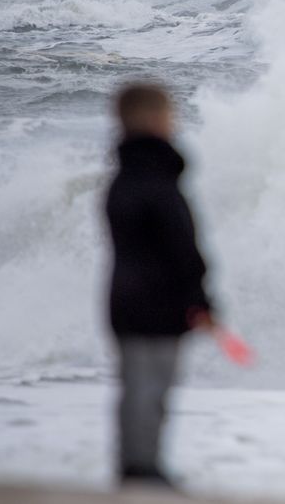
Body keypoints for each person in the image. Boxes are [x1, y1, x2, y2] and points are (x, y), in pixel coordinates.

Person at [104, 81, 215, 489]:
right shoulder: (158, 181)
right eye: (170, 115)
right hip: (160, 301)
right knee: (153, 388)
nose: (174, 123)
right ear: (154, 119)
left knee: (138, 385)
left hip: (124, 297)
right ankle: (142, 468)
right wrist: (200, 299)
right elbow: (183, 249)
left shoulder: (122, 179)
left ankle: (136, 464)